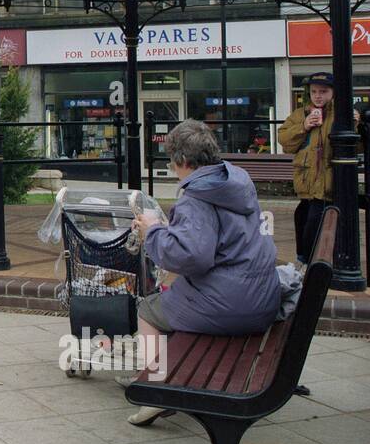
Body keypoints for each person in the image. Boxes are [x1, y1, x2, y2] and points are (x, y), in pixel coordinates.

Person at [127, 119, 280, 426]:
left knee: (149, 309)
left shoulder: (196, 197)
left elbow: (193, 257)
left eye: (172, 162)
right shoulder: (235, 183)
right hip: (262, 299)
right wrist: (172, 230)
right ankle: (170, 374)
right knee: (176, 299)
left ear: (181, 161)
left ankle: (155, 391)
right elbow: (217, 239)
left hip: (231, 306)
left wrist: (153, 232)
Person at [278, 72, 362, 266]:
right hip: (307, 180)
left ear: (333, 93)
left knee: (315, 221)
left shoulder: (341, 114)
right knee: (302, 216)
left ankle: (309, 262)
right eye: (314, 91)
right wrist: (304, 127)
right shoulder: (301, 114)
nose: (318, 96)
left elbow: (356, 147)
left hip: (328, 181)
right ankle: (304, 258)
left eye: (323, 92)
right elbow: (284, 141)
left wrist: (354, 125)